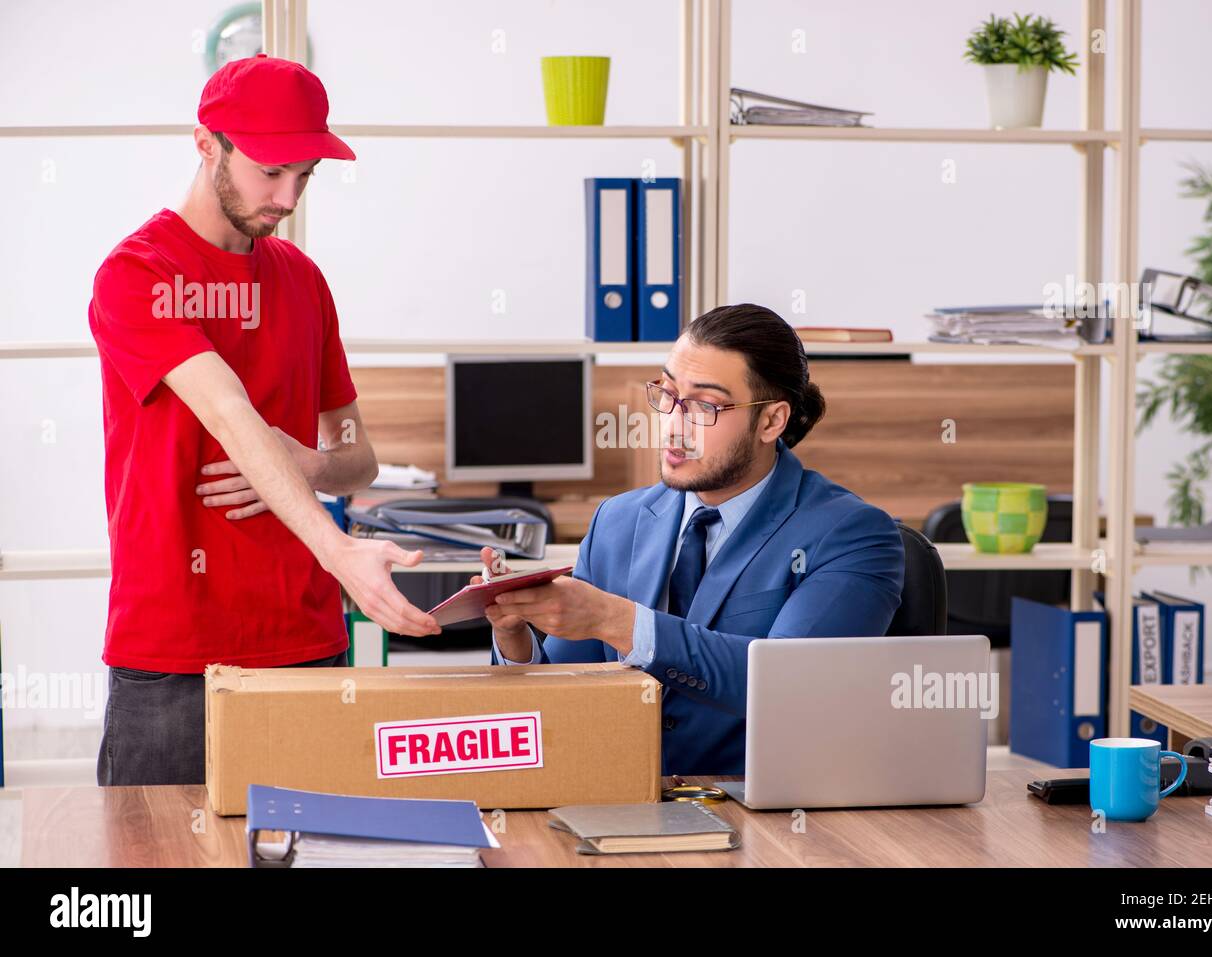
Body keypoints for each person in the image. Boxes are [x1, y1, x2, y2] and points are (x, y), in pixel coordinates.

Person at [88, 55, 438, 786]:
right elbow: (226, 408)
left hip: (304, 642)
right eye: (271, 171)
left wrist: (310, 463)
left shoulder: (303, 281)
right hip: (176, 651)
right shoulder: (138, 275)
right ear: (206, 143)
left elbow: (358, 454)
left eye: (304, 176)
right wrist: (341, 551)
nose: (288, 196)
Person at [480, 303, 904, 775]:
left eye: (704, 406)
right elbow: (569, 696)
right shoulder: (616, 520)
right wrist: (515, 635)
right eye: (667, 394)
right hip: (620, 802)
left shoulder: (853, 533)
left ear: (771, 421)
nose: (674, 425)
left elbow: (792, 686)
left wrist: (616, 620)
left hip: (763, 819)